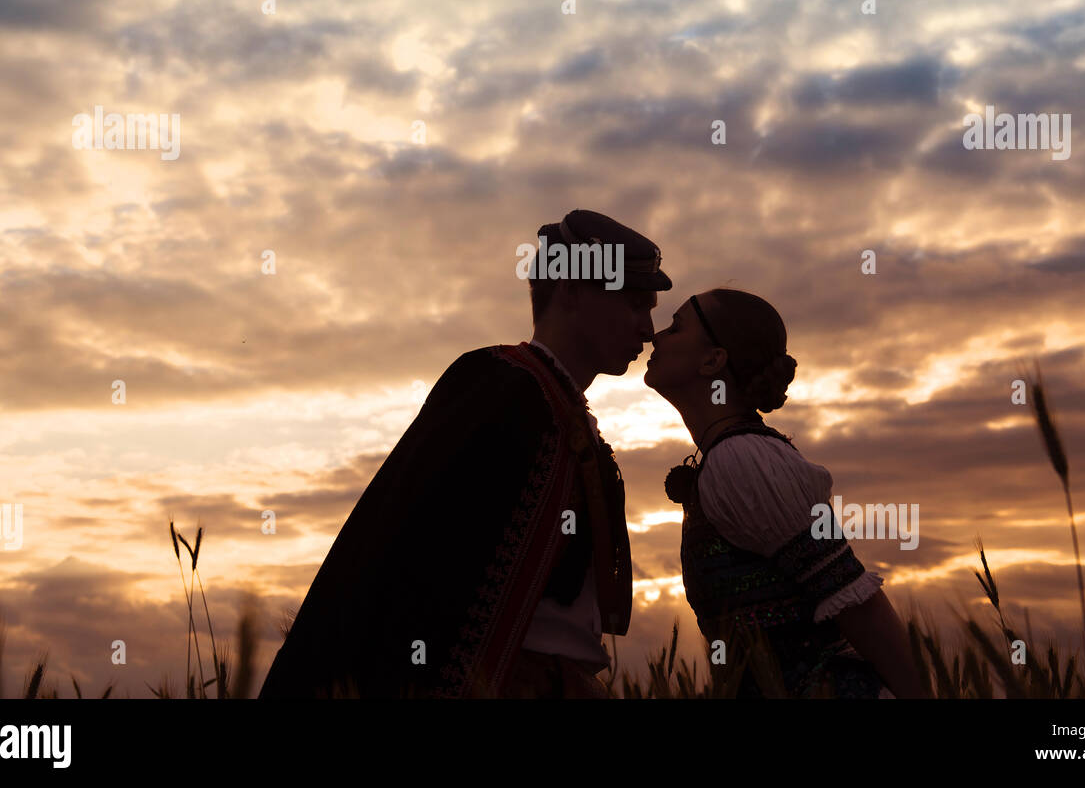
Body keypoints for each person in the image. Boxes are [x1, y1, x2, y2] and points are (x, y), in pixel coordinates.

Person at [258, 209, 670, 698]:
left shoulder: (562, 410)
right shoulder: (498, 385)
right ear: (571, 290)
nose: (648, 329)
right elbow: (407, 556)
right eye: (633, 303)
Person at [644, 288, 926, 698]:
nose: (657, 336)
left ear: (713, 360)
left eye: (676, 326)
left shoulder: (743, 459)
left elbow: (855, 602)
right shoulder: (733, 456)